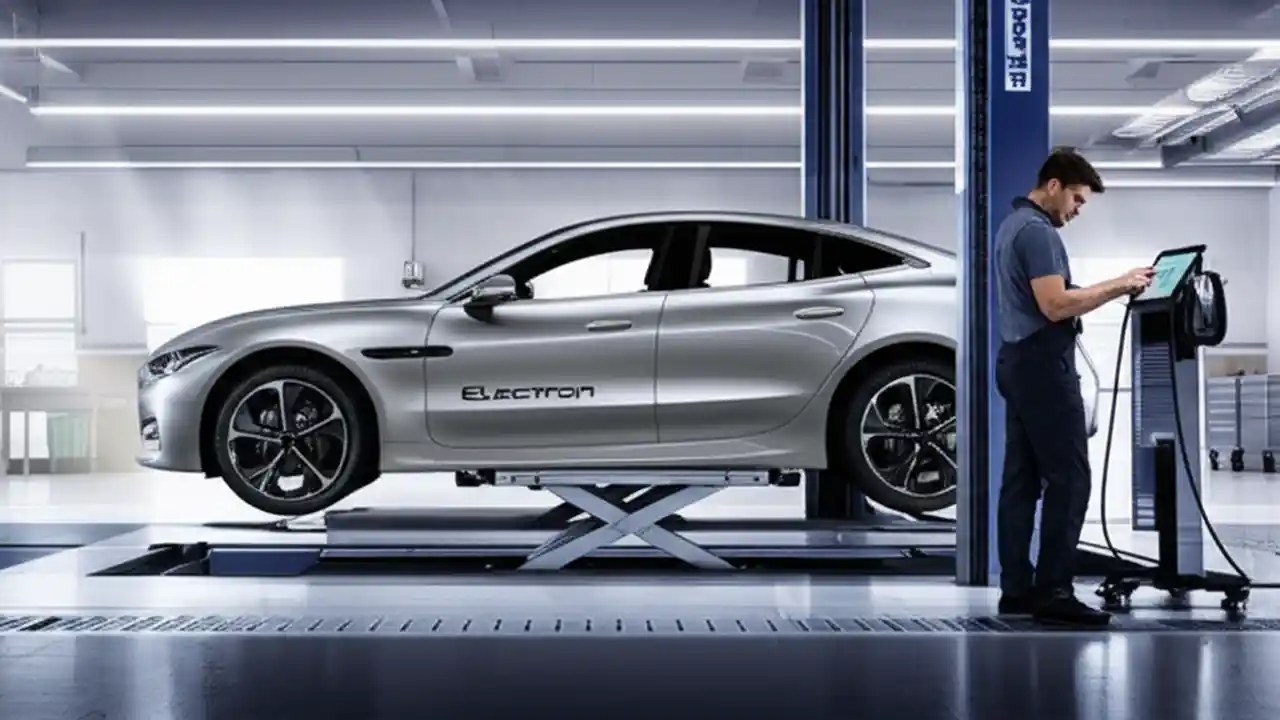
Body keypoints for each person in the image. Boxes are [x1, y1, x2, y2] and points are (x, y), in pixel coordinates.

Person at [993, 148, 1153, 626]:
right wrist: (1121, 284)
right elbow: (1056, 305)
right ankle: (1055, 591)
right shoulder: (1037, 232)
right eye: (1078, 201)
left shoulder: (1010, 227)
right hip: (1042, 365)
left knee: (1021, 483)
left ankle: (1017, 589)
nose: (1077, 211)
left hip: (1018, 362)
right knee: (1070, 477)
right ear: (1055, 186)